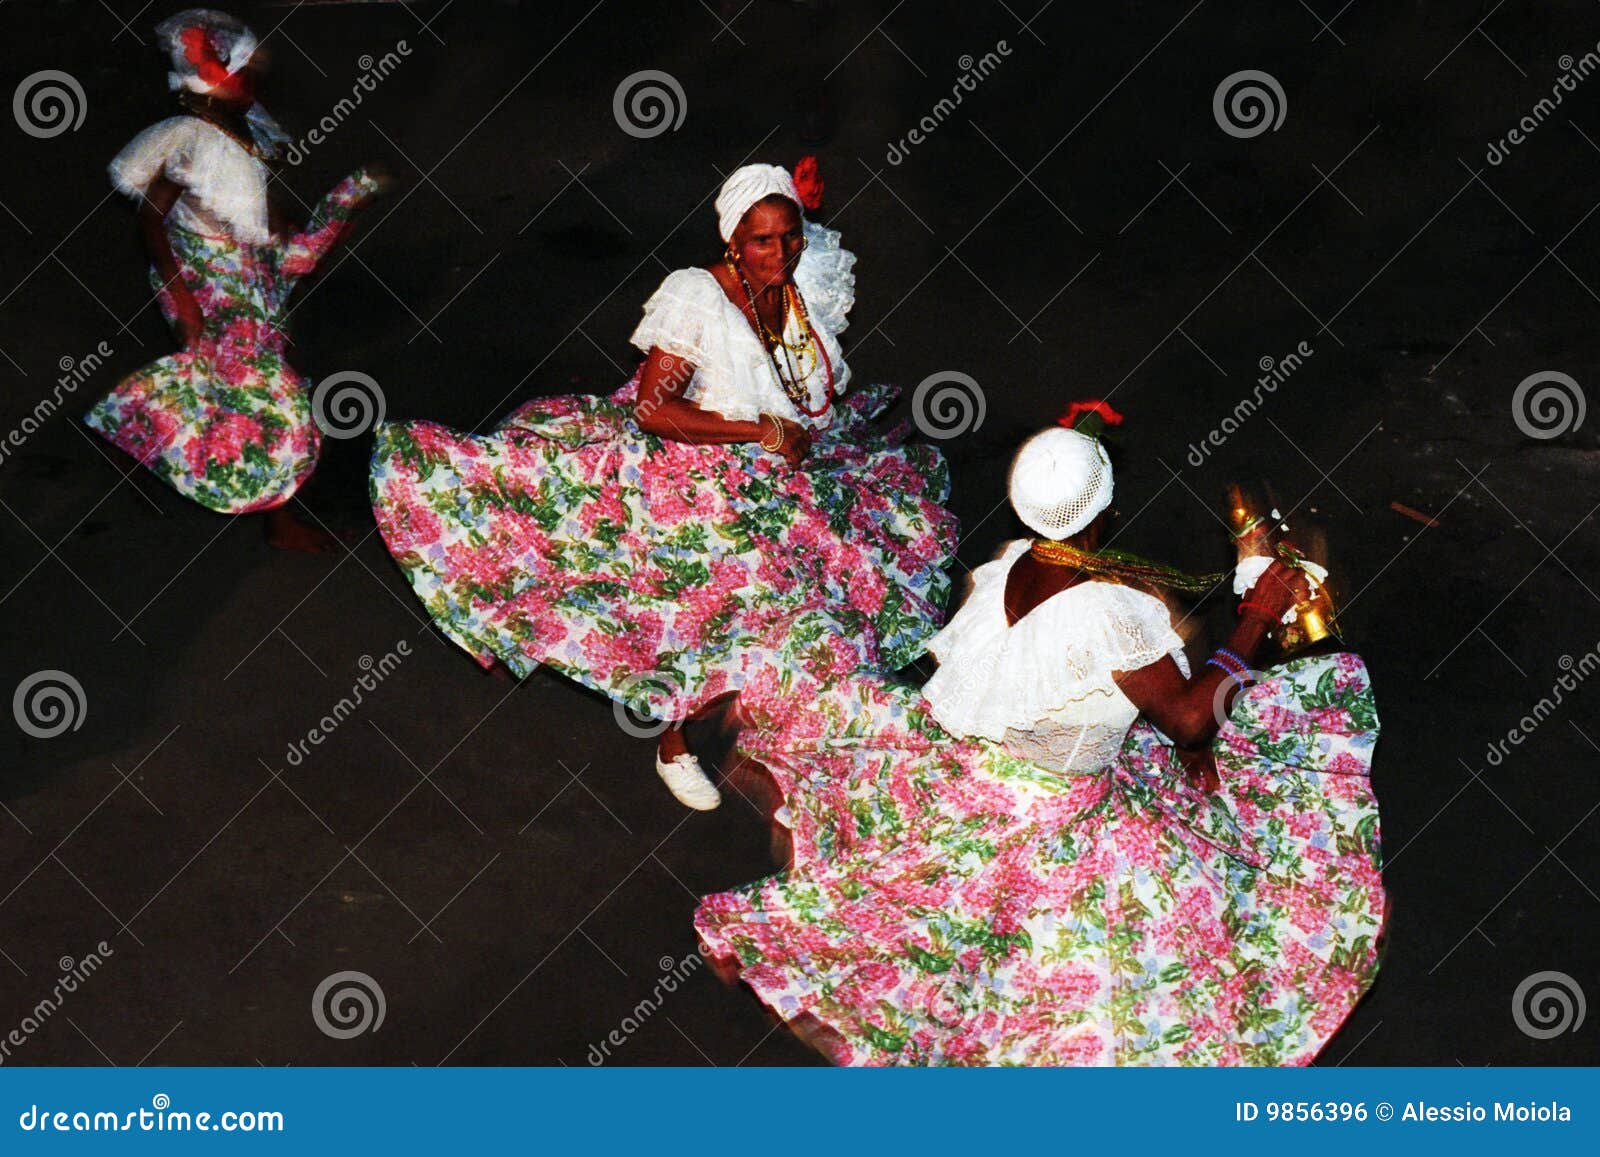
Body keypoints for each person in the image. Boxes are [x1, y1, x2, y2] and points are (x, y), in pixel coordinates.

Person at [695, 409, 1386, 1065]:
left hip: (994, 778)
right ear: (1107, 510)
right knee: (1124, 965)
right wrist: (1256, 614)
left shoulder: (1017, 559)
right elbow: (1186, 719)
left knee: (949, 937)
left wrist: (1076, 437)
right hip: (1064, 808)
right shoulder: (1107, 612)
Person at [370, 159, 957, 809]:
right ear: (734, 239)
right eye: (763, 239)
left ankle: (784, 729)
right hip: (702, 458)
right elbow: (653, 410)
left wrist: (800, 202)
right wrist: (758, 432)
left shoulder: (798, 268)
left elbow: (800, 275)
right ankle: (676, 743)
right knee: (719, 603)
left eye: (790, 234)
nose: (782, 251)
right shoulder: (697, 297)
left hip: (780, 466)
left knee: (828, 587)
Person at [85, 8, 383, 551]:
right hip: (204, 284)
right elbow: (151, 220)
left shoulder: (239, 128)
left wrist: (283, 228)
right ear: (212, 81)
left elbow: (255, 198)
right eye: (242, 73)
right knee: (277, 400)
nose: (252, 82)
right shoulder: (187, 139)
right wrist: (184, 299)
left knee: (239, 393)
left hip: (248, 278)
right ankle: (147, 431)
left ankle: (146, 434)